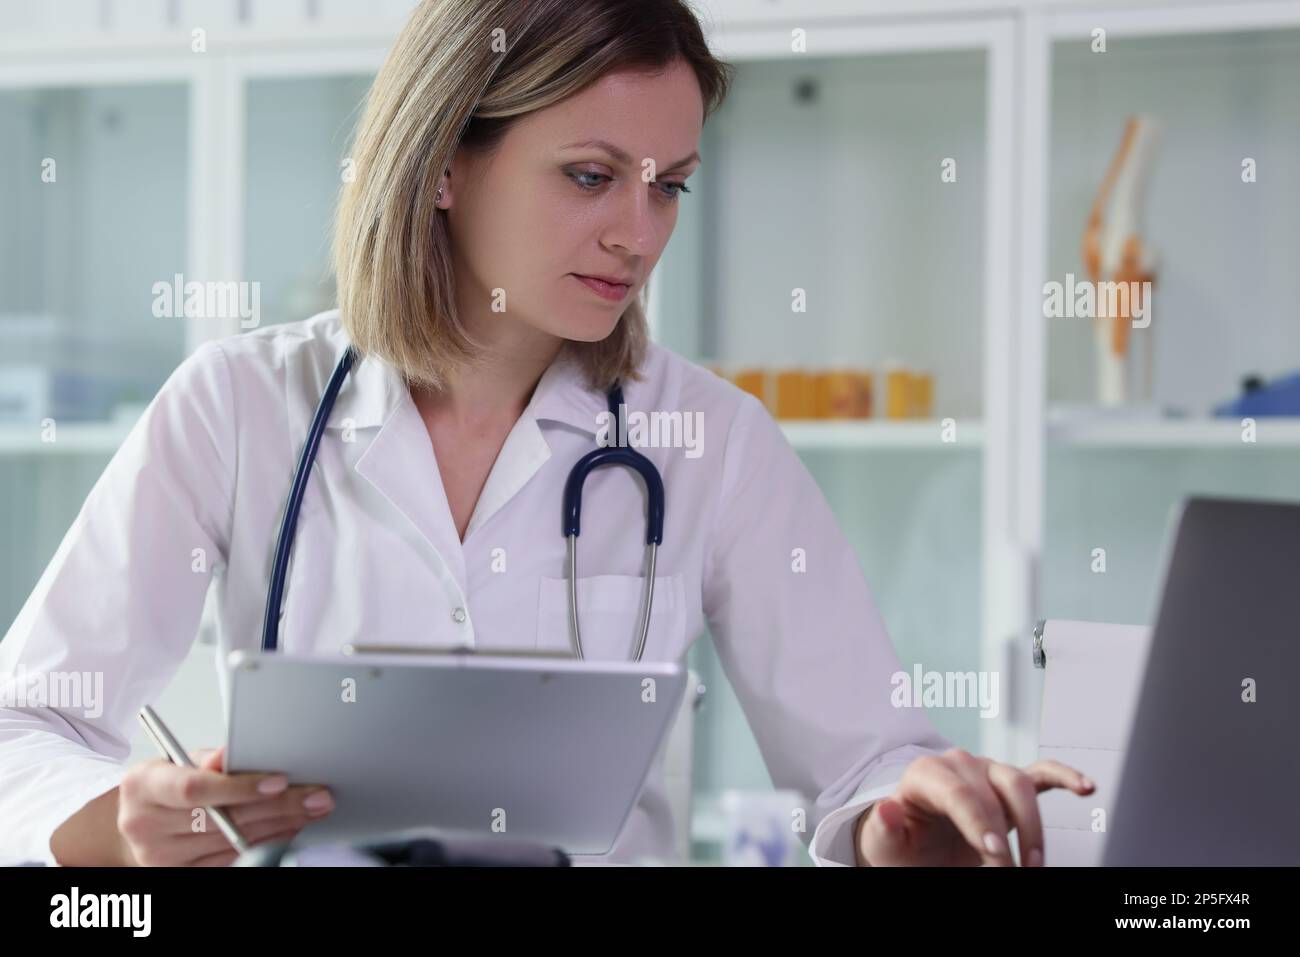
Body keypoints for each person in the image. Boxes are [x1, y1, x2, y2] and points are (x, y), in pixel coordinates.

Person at [0, 0, 1092, 868]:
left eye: (669, 187)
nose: (638, 233)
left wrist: (908, 825)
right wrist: (111, 822)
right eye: (590, 175)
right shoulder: (237, 406)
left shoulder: (708, 441)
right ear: (441, 164)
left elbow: (869, 768)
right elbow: (22, 732)